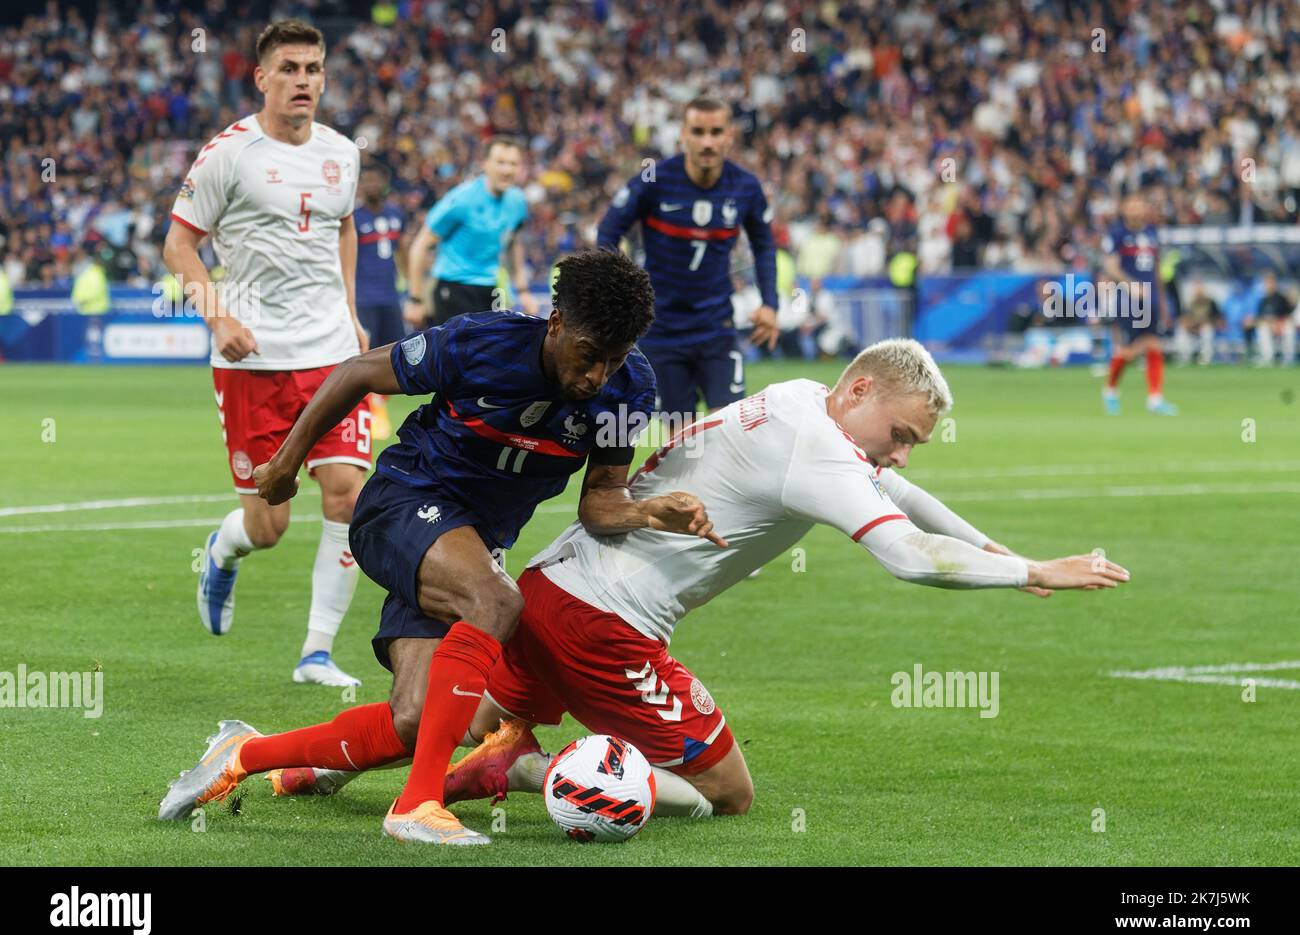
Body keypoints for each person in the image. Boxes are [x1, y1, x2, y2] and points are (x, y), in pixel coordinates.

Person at [259, 340, 1131, 820]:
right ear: (860, 389)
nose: (896, 453)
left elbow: (897, 490)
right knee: (728, 793)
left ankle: (291, 767)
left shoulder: (797, 397)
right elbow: (904, 554)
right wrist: (1024, 568)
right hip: (608, 626)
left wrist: (1010, 562)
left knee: (443, 721)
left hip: (554, 586)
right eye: (898, 431)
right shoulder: (820, 454)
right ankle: (529, 777)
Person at [158, 248, 728, 845]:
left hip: (469, 543)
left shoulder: (629, 389)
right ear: (556, 323)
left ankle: (242, 753)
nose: (595, 378)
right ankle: (418, 805)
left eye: (611, 362)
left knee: (413, 721)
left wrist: (649, 511)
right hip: (402, 503)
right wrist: (286, 460)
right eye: (588, 357)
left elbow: (601, 501)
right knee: (498, 602)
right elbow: (356, 372)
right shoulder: (482, 342)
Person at [162, 19, 372, 686]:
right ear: (262, 77)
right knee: (270, 522)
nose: (303, 79)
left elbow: (345, 226)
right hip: (254, 362)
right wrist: (217, 317)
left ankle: (316, 652)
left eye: (312, 68)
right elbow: (178, 246)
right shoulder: (229, 154)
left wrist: (351, 310)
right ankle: (225, 551)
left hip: (332, 353)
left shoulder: (343, 151)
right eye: (289, 69)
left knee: (346, 496)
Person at [597, 97, 779, 426]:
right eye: (698, 131)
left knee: (730, 429)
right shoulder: (655, 179)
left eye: (715, 132)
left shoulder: (746, 186)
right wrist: (619, 293)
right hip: (662, 327)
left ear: (729, 135)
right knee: (681, 439)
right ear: (683, 134)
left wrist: (771, 303)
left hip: (716, 326)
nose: (707, 142)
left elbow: (765, 245)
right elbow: (609, 231)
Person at [403, 137, 537, 328]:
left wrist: (523, 289)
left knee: (492, 354)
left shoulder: (517, 201)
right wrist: (415, 299)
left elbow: (513, 242)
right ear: (485, 163)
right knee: (457, 356)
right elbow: (420, 245)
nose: (507, 170)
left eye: (513, 164)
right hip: (454, 287)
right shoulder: (461, 200)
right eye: (500, 162)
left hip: (491, 288)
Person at [1098, 195, 1178, 415]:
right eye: (1131, 206)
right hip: (1128, 299)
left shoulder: (1152, 233)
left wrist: (1162, 302)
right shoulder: (1117, 234)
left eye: (1139, 206)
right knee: (1130, 351)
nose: (1135, 210)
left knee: (1153, 345)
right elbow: (1111, 267)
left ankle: (1154, 399)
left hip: (1150, 299)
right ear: (1124, 209)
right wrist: (1131, 285)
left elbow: (1156, 270)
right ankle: (1110, 390)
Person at [353, 163, 409, 439]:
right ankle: (368, 407)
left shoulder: (396, 215)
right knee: (364, 354)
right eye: (367, 180)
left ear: (385, 183)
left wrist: (409, 284)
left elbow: (403, 251)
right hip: (363, 297)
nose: (372, 185)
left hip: (389, 296)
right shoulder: (353, 218)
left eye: (376, 179)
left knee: (394, 352)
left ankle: (377, 401)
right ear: (361, 185)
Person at [1244, 272, 1296, 366]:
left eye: (1271, 282)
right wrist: (1253, 321)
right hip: (1267, 326)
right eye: (1266, 283)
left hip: (1281, 326)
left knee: (1289, 329)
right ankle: (1268, 358)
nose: (1268, 285)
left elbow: (1288, 316)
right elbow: (1259, 317)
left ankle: (1288, 359)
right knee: (1262, 328)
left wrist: (1277, 323)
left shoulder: (1281, 299)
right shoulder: (1262, 301)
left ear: (1275, 283)